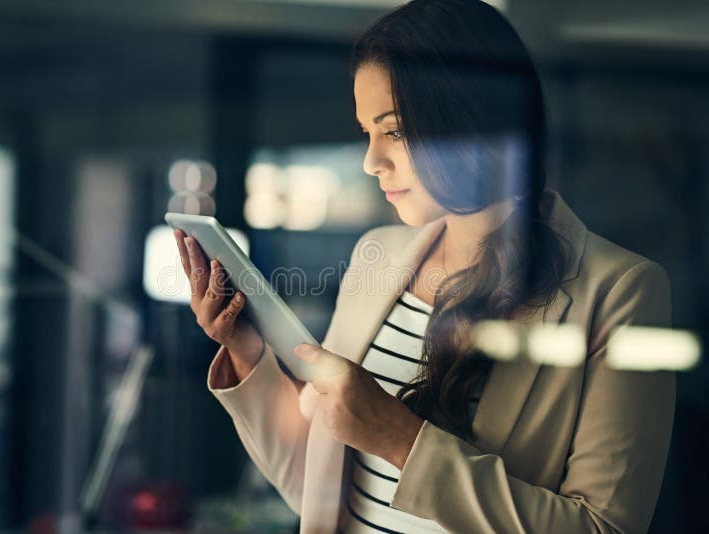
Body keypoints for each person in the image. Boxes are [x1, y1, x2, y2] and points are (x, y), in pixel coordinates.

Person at [173, 0, 675, 532]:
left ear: (469, 120)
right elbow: (318, 492)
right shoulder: (378, 255)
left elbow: (604, 527)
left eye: (393, 131)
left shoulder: (621, 291)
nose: (371, 161)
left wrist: (398, 438)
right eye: (367, 132)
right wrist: (247, 352)